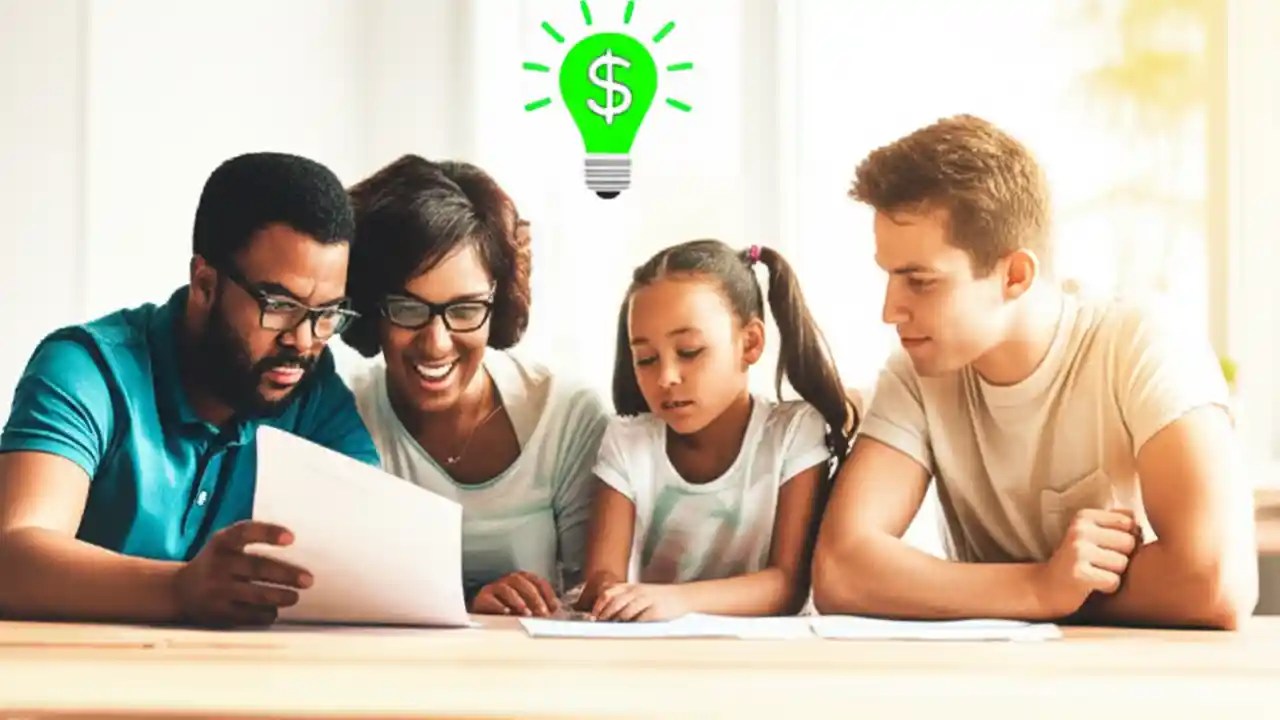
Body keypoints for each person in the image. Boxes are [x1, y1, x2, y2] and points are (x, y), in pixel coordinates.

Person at [811, 114, 1258, 629]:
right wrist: (1040, 587)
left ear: (1015, 275)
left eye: (921, 282)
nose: (890, 311)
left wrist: (1029, 593)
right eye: (890, 277)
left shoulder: (1141, 341)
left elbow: (1215, 579)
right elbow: (843, 569)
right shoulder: (919, 372)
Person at [0, 152, 380, 627]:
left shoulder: (314, 395)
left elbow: (380, 557)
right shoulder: (88, 369)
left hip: (239, 691)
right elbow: (13, 558)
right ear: (204, 283)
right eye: (280, 305)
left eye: (327, 314)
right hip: (69, 691)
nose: (303, 341)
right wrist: (179, 588)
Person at [341, 155, 608, 617]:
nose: (436, 343)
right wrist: (469, 602)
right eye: (407, 308)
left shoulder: (566, 416)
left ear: (498, 302)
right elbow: (341, 582)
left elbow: (592, 597)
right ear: (370, 307)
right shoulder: (344, 413)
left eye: (465, 310)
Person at [573, 239, 856, 622]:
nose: (666, 378)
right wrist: (607, 590)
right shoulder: (628, 441)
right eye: (646, 359)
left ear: (750, 343)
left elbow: (787, 586)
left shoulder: (793, 433)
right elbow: (603, 575)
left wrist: (678, 601)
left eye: (689, 351)